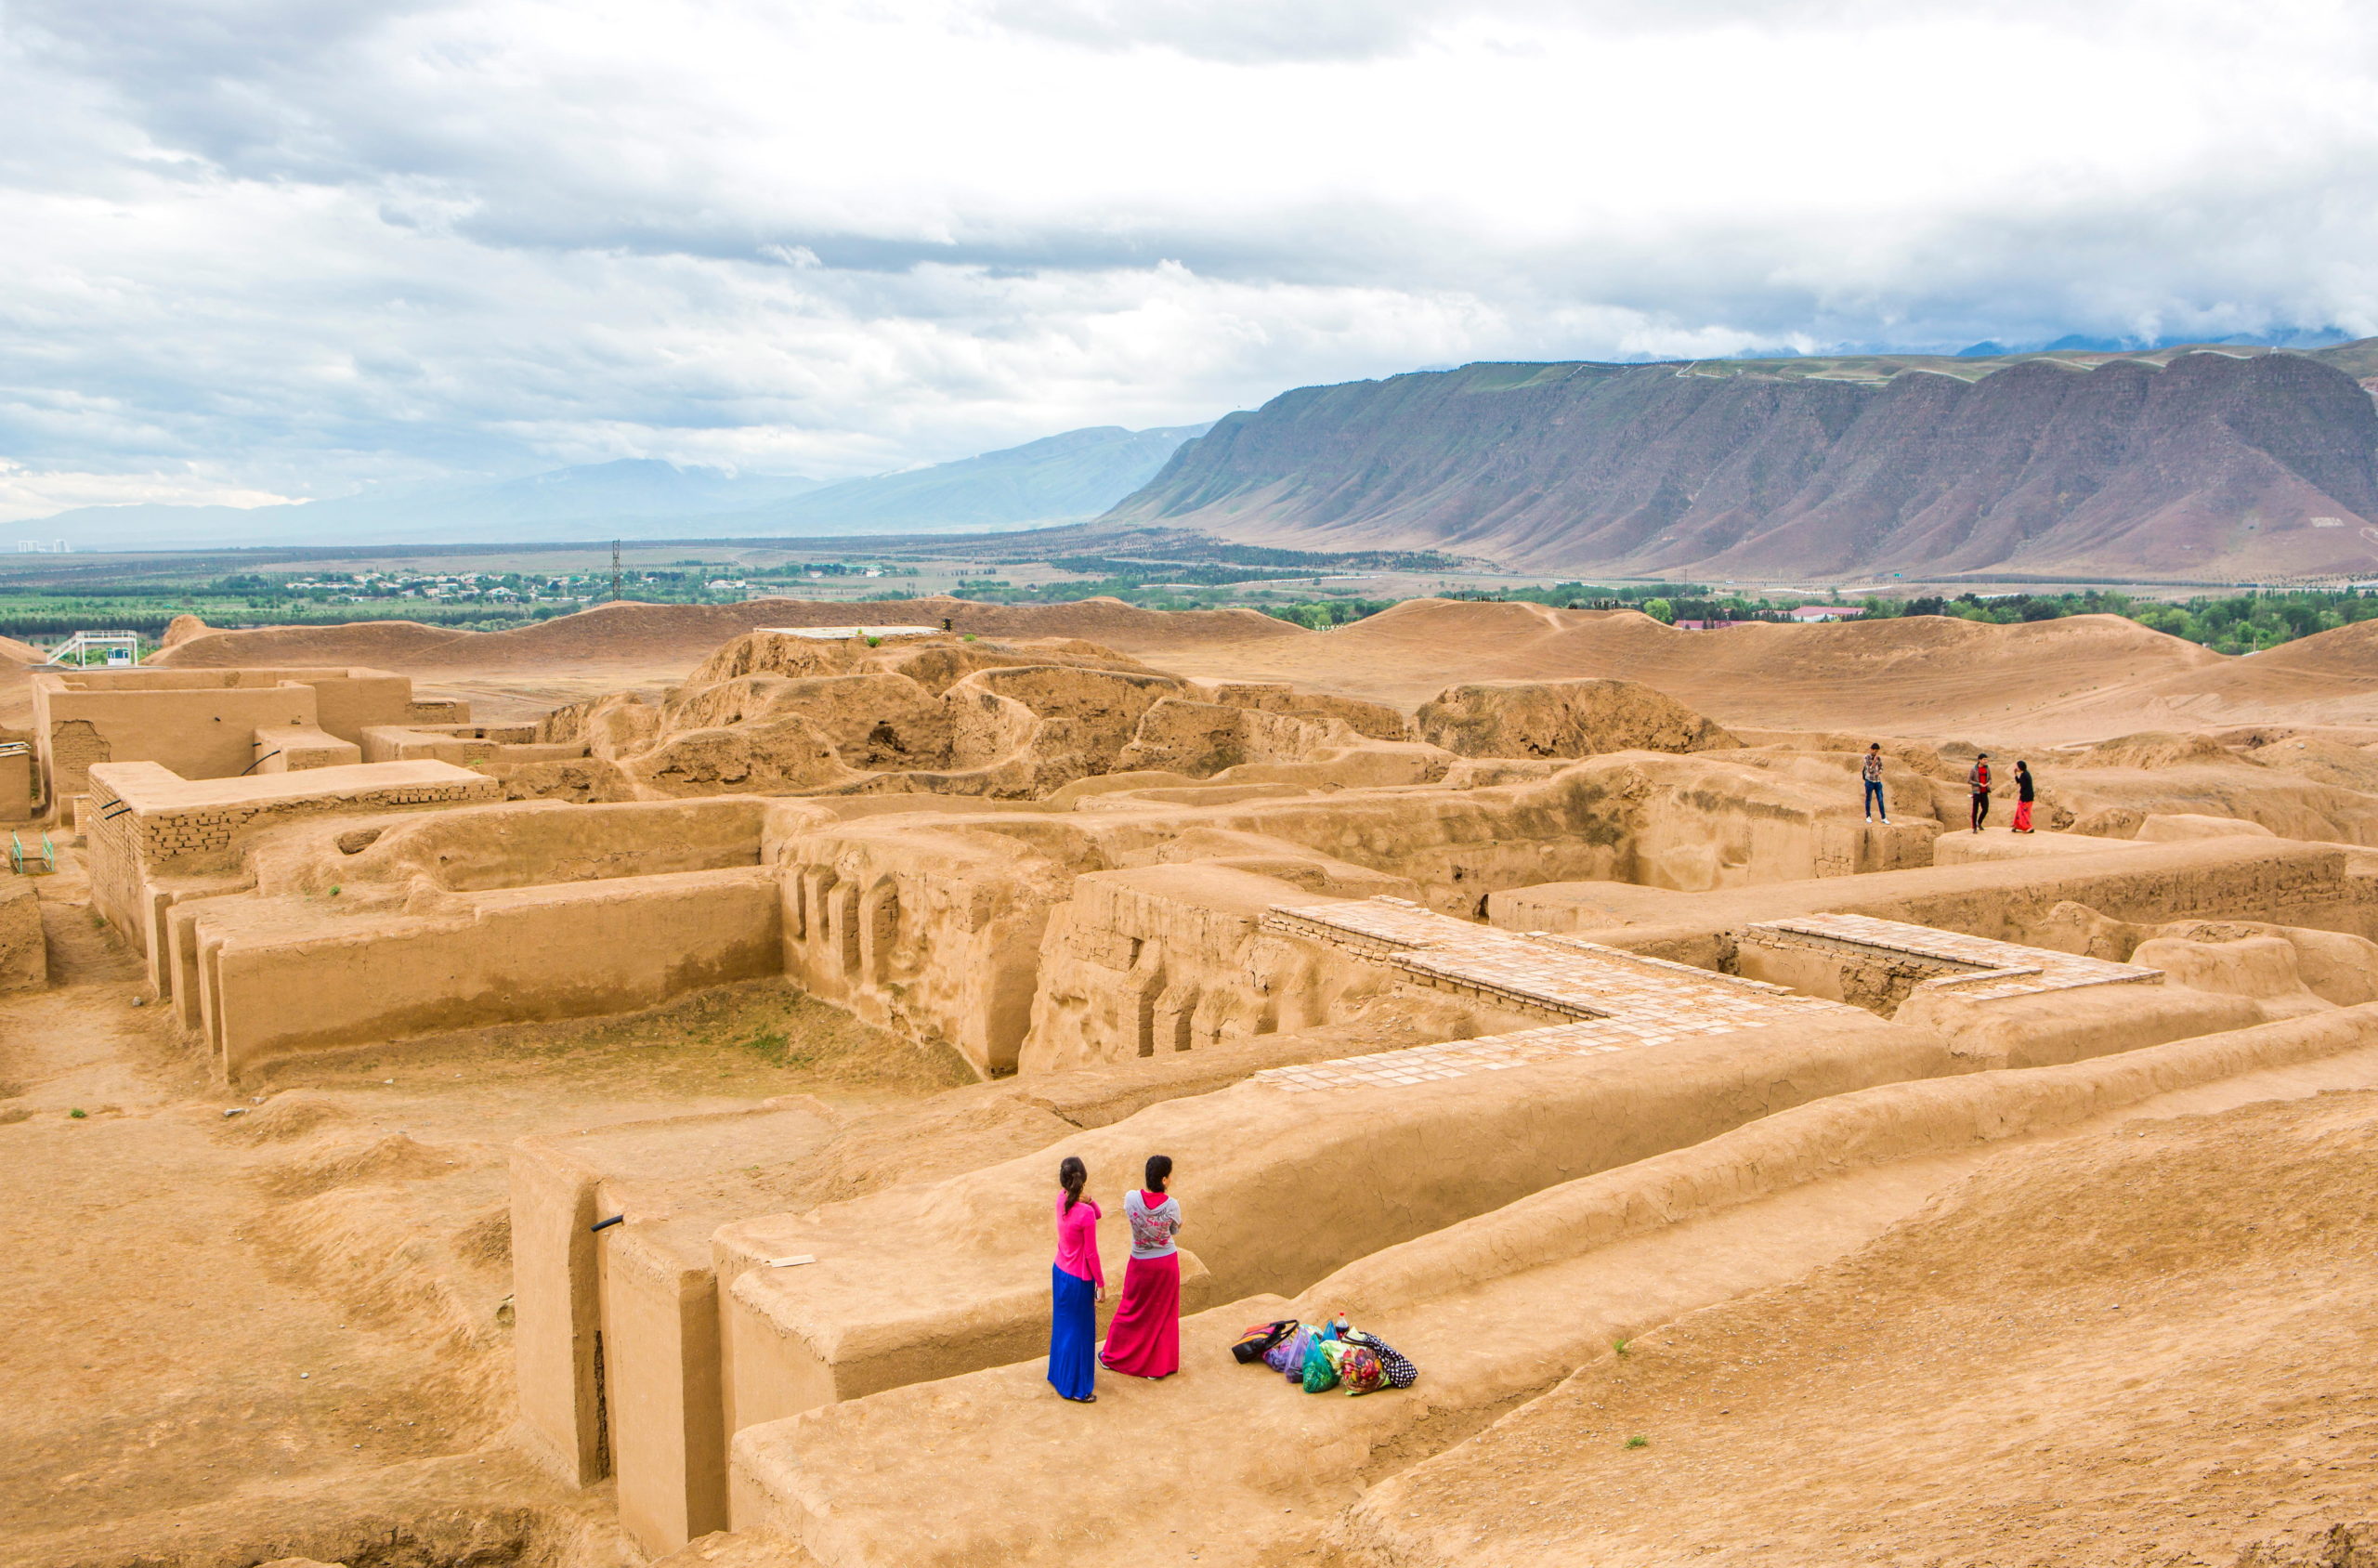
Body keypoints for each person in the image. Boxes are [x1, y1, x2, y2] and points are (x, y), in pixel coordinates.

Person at [1100, 1155, 1183, 1379]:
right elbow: (1175, 1230)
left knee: (1130, 1307)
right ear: (1165, 1180)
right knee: (1163, 1313)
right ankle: (1157, 1368)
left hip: (1140, 1262)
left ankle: (1113, 1356)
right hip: (1165, 1263)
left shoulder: (1131, 1198)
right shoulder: (1172, 1205)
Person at [1049, 1156, 1104, 1403]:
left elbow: (1097, 1214)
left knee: (1063, 1326)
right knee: (1080, 1332)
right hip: (1079, 1279)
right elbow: (1091, 1253)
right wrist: (1100, 1283)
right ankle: (1076, 1388)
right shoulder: (1084, 1214)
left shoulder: (1061, 1200)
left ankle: (1058, 1375)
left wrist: (1089, 1200)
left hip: (1060, 1270)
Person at [1862, 743, 1888, 824]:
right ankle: (1868, 816)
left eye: (1877, 751)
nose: (1876, 753)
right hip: (1869, 781)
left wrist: (1879, 772)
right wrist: (1874, 761)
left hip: (1877, 781)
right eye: (1875, 751)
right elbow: (1869, 770)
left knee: (1880, 799)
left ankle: (1883, 817)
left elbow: (1881, 767)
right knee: (1868, 799)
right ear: (1872, 749)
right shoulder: (1866, 758)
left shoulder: (1878, 758)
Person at [1969, 752, 1993, 833]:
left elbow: (1990, 779)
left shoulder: (1987, 768)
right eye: (1984, 759)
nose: (1986, 761)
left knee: (1985, 809)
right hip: (1976, 792)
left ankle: (1979, 822)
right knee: (1975, 810)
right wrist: (1978, 784)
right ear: (1980, 760)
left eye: (1986, 759)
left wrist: (1988, 783)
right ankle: (1974, 827)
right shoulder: (1974, 769)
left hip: (1984, 792)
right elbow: (1969, 780)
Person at [2013, 760, 2036, 833]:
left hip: (2026, 797)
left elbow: (2023, 786)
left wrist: (2021, 795)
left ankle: (2029, 827)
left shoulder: (2024, 775)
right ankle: (2017, 825)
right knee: (2020, 811)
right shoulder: (2025, 773)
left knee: (2024, 812)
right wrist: (2015, 774)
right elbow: (2019, 782)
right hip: (2028, 796)